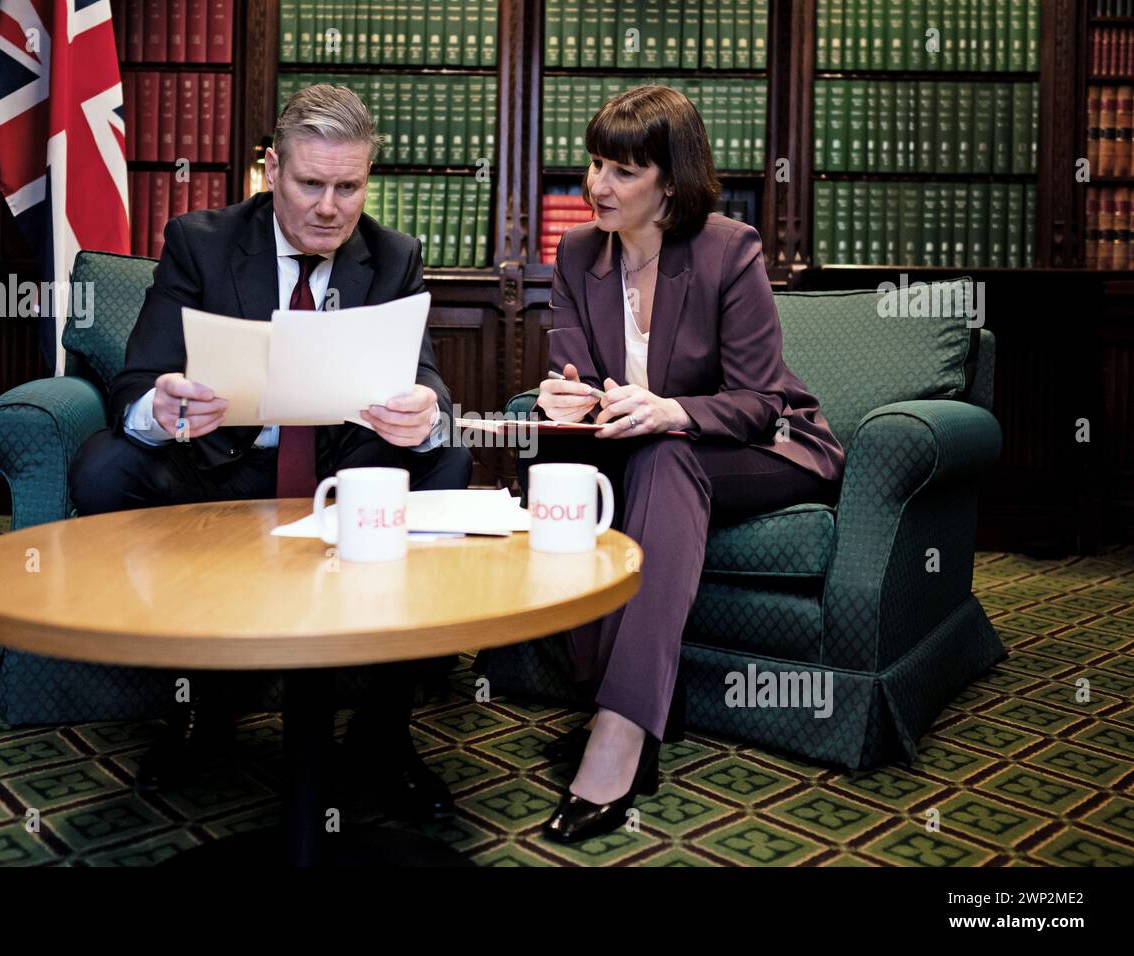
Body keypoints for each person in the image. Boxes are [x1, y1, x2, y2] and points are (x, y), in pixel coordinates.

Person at [68, 83, 472, 821]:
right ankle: (201, 707)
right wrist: (162, 406)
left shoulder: (392, 256)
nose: (329, 206)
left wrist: (429, 413)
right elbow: (135, 384)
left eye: (348, 187)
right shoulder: (202, 242)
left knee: (449, 462)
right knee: (107, 463)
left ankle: (384, 730)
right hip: (220, 467)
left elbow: (428, 381)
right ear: (271, 174)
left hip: (342, 472)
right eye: (310, 183)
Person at [525, 85, 846, 844]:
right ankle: (618, 705)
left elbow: (761, 398)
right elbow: (574, 370)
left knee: (668, 452)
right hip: (644, 451)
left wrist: (675, 410)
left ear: (670, 180)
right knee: (574, 458)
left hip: (762, 447)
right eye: (595, 164)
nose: (596, 186)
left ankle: (619, 732)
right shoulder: (576, 252)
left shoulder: (727, 250)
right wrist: (562, 398)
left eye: (623, 171)